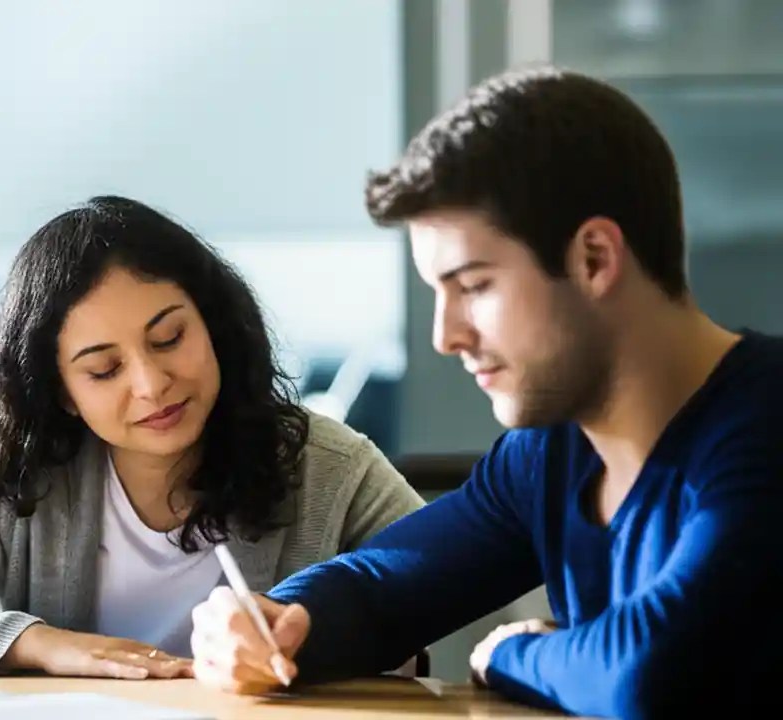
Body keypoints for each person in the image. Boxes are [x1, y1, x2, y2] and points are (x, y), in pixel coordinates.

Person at [189, 65, 783, 718]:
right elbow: (382, 583)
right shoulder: (548, 454)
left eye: (473, 286)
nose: (447, 335)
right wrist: (273, 622)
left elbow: (649, 673)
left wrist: (505, 655)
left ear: (594, 259)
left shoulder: (766, 421)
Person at [0, 195, 425, 679]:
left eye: (169, 339)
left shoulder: (326, 465)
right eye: (104, 369)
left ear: (213, 326)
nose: (152, 385)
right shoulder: (19, 476)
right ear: (60, 393)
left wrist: (314, 637)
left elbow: (447, 598)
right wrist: (40, 644)